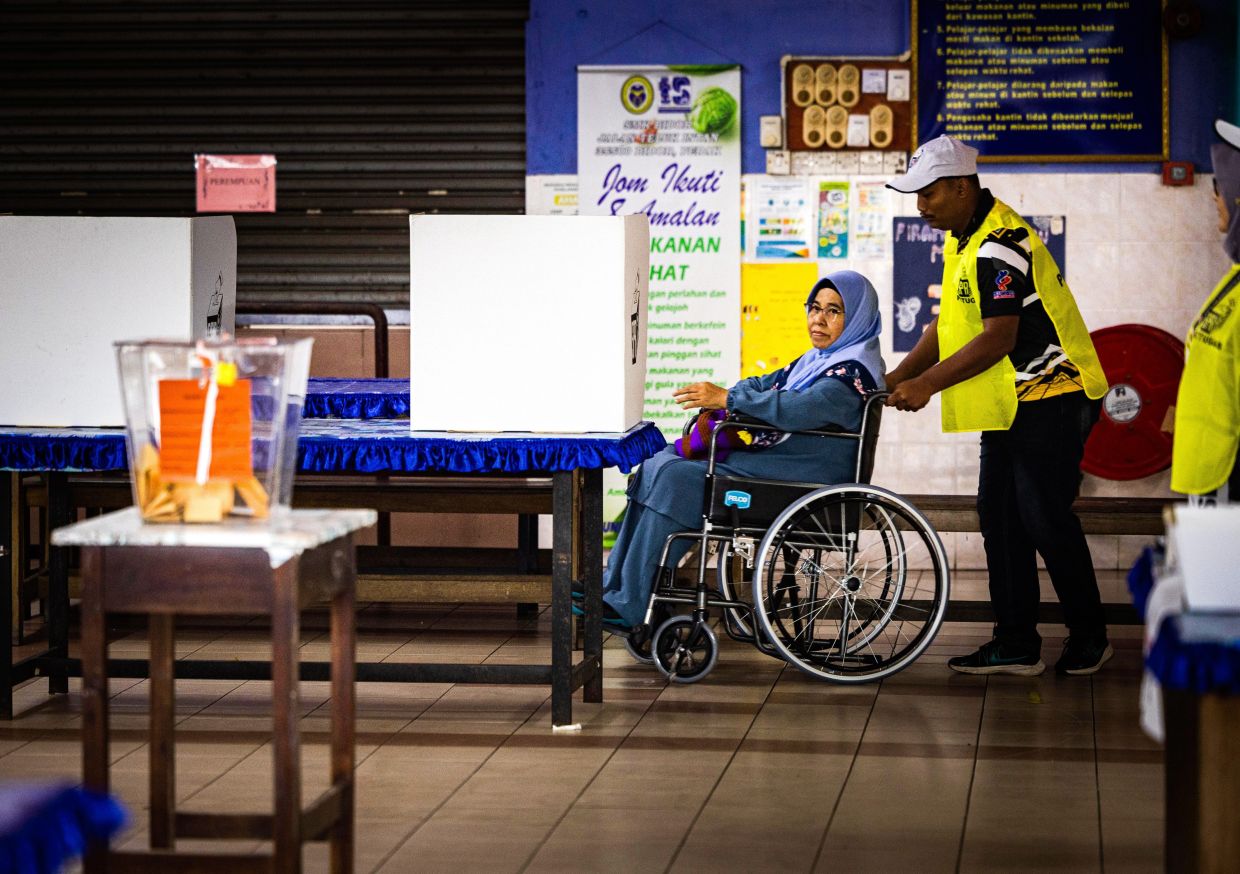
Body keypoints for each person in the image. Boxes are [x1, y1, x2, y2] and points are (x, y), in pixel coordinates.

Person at [884, 135, 1111, 677]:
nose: (920, 204)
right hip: (1011, 402)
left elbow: (998, 338)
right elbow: (949, 325)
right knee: (1000, 518)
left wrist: (928, 385)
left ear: (961, 187)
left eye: (928, 192)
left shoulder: (998, 244)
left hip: (1055, 394)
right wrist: (898, 375)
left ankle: (1090, 636)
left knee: (1042, 517)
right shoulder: (966, 239)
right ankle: (1015, 641)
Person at [582, 270, 885, 630]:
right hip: (779, 465)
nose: (818, 319)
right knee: (657, 459)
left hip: (802, 478)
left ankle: (632, 600)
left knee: (678, 477)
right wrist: (739, 394)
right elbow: (768, 382)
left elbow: (796, 409)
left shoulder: (849, 377)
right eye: (814, 307)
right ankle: (613, 587)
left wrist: (729, 398)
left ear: (858, 319)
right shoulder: (817, 361)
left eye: (834, 311)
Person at [1170, 119, 1240, 502]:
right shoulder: (1234, 277)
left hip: (1231, 470)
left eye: (1222, 188)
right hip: (1211, 472)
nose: (1215, 198)